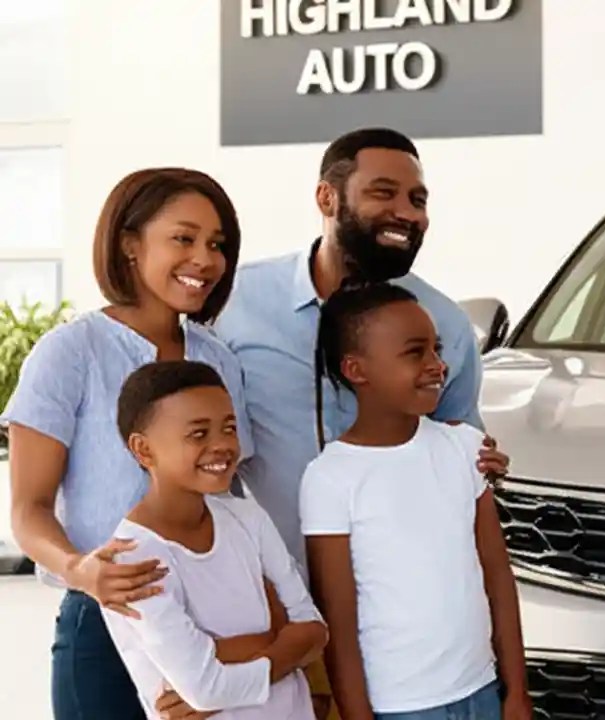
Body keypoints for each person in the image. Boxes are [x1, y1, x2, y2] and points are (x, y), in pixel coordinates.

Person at [2, 168, 256, 720]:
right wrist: (81, 570)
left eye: (217, 245)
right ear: (129, 245)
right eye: (183, 239)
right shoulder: (69, 353)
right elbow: (28, 509)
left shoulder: (219, 360)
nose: (206, 260)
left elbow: (230, 497)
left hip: (216, 617)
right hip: (106, 618)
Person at [299, 282, 531, 720]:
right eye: (414, 352)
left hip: (482, 691)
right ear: (356, 369)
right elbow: (340, 620)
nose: (436, 366)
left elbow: (498, 577)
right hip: (397, 707)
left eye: (436, 349)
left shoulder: (466, 448)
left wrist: (516, 689)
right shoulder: (330, 479)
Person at [101, 360, 329, 719]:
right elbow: (205, 688)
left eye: (229, 428)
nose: (223, 445)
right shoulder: (131, 560)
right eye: (198, 434)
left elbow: (314, 631)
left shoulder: (247, 517)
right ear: (144, 450)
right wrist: (282, 642)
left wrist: (219, 660)